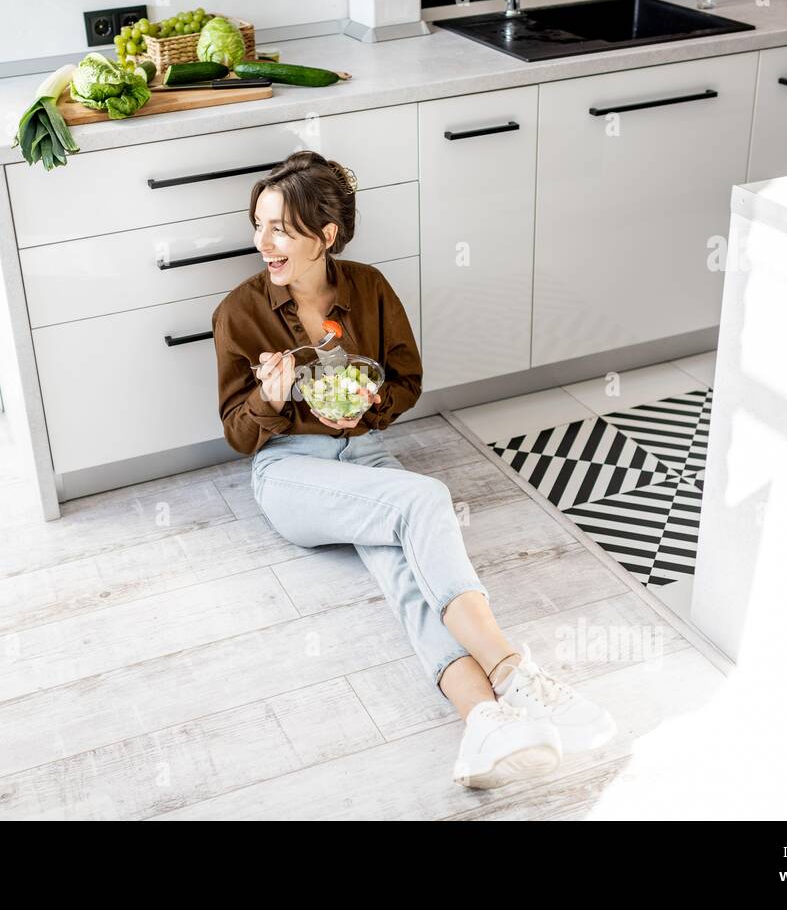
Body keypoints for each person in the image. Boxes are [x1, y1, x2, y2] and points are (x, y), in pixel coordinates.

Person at [211, 150, 615, 788]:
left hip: (367, 456)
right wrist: (271, 396)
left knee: (408, 573)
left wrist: (371, 408)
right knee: (424, 500)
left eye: (280, 229)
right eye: (259, 224)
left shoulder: (369, 288)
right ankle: (515, 671)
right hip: (289, 471)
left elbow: (406, 379)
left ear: (326, 236)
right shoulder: (240, 311)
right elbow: (237, 432)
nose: (263, 242)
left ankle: (483, 719)